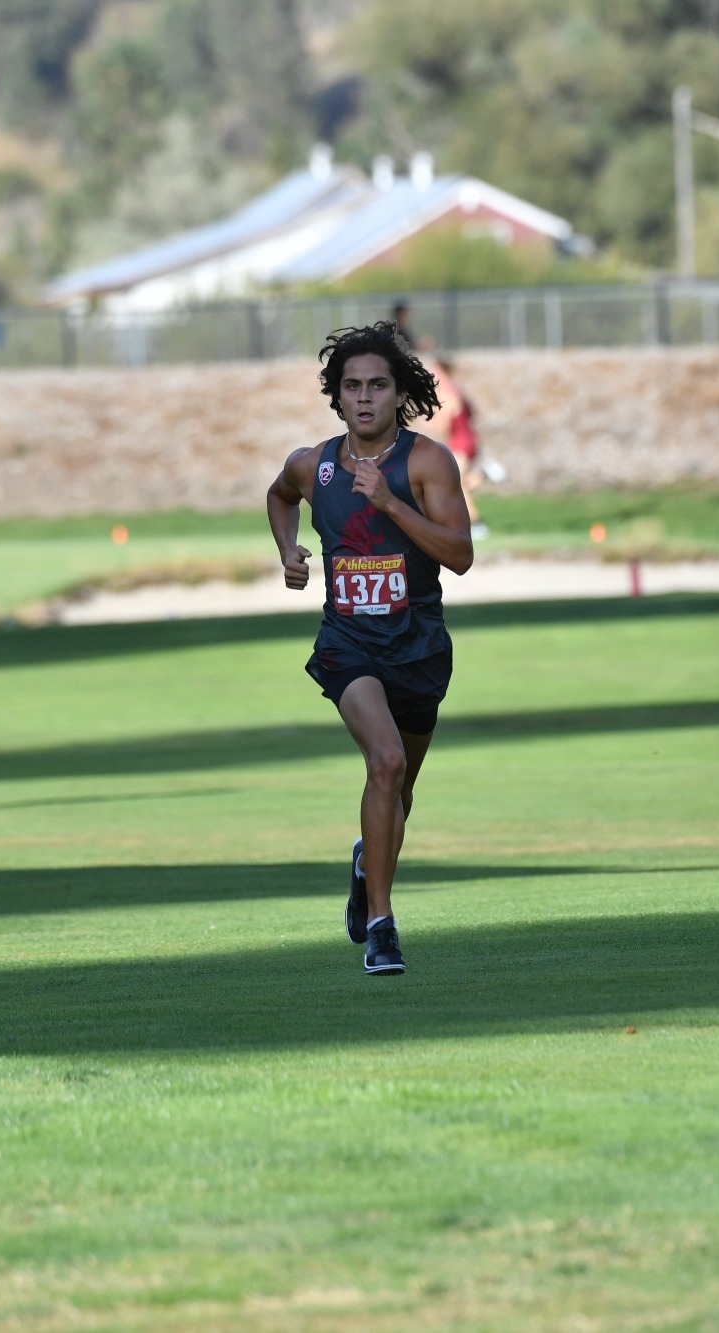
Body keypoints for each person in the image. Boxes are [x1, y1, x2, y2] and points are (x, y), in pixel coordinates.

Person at [267, 322, 473, 974]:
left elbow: (461, 556)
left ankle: (366, 863)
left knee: (399, 792)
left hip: (416, 645)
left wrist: (391, 504)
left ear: (398, 392)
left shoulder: (426, 463)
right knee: (382, 762)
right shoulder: (315, 463)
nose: (364, 398)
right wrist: (289, 550)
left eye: (377, 385)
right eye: (352, 386)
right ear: (337, 394)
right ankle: (382, 925)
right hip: (348, 643)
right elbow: (279, 496)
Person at [429, 356, 489, 538]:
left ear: (441, 372)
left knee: (458, 485)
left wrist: (430, 422)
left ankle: (476, 524)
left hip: (460, 442)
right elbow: (473, 412)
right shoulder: (458, 390)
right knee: (458, 484)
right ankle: (485, 475)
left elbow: (444, 423)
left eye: (434, 372)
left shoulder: (447, 393)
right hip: (469, 439)